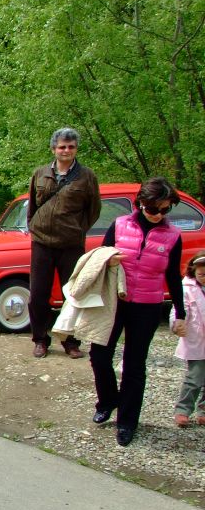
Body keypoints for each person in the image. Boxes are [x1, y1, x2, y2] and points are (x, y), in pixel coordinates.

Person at [90, 177, 186, 446]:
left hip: (147, 306)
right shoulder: (120, 225)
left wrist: (180, 311)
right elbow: (98, 259)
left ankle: (127, 422)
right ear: (141, 204)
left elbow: (173, 276)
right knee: (99, 355)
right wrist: (110, 259)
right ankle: (108, 400)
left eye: (166, 209)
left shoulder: (173, 235)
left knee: (134, 365)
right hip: (115, 301)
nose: (160, 215)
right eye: (155, 209)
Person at [27, 127, 101, 358]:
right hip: (41, 242)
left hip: (71, 244)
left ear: (76, 149)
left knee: (73, 294)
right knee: (38, 294)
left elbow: (94, 210)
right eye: (62, 146)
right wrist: (34, 226)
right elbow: (32, 205)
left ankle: (71, 341)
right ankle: (40, 339)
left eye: (70, 146)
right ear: (53, 149)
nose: (66, 150)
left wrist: (77, 230)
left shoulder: (86, 176)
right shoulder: (40, 173)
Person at [171, 254, 205, 427]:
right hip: (196, 340)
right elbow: (179, 310)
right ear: (194, 271)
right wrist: (177, 324)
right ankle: (183, 410)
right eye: (202, 273)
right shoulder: (187, 289)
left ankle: (203, 411)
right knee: (195, 377)